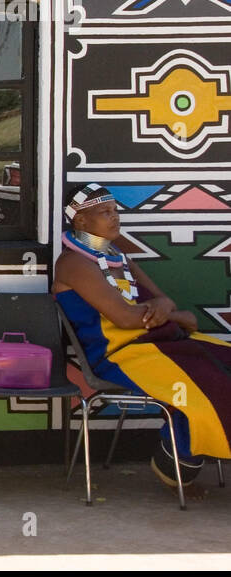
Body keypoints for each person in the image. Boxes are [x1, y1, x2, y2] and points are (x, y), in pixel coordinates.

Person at [54, 183, 231, 496]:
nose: (114, 218)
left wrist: (160, 310)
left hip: (164, 343)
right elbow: (124, 318)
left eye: (115, 211)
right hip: (121, 355)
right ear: (80, 221)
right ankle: (176, 465)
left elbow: (173, 310)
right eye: (104, 212)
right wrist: (163, 310)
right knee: (205, 389)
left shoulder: (118, 257)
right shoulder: (72, 263)